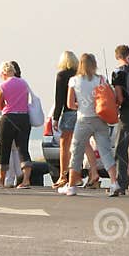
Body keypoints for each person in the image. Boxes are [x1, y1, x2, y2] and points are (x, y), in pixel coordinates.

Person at [59, 53, 122, 197]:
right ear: (94, 64)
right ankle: (114, 183)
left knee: (76, 152)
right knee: (105, 152)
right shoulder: (101, 79)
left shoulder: (74, 80)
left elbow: (69, 104)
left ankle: (71, 186)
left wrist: (81, 105)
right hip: (100, 119)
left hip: (83, 120)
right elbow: (108, 99)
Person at [0, 61, 34, 189]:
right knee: (23, 149)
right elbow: (26, 101)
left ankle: (2, 180)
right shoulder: (24, 83)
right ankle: (26, 180)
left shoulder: (3, 85)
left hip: (8, 118)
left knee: (5, 149)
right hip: (23, 118)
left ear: (4, 73)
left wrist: (8, 105)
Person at [52, 51, 82, 189]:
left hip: (69, 113)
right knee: (81, 145)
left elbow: (59, 100)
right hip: (84, 113)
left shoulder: (62, 75)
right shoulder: (81, 75)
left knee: (64, 146)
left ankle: (64, 176)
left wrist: (55, 118)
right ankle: (78, 176)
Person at [112, 45, 129, 195]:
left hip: (126, 114)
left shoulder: (118, 73)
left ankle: (122, 183)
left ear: (118, 57)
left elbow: (119, 97)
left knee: (121, 149)